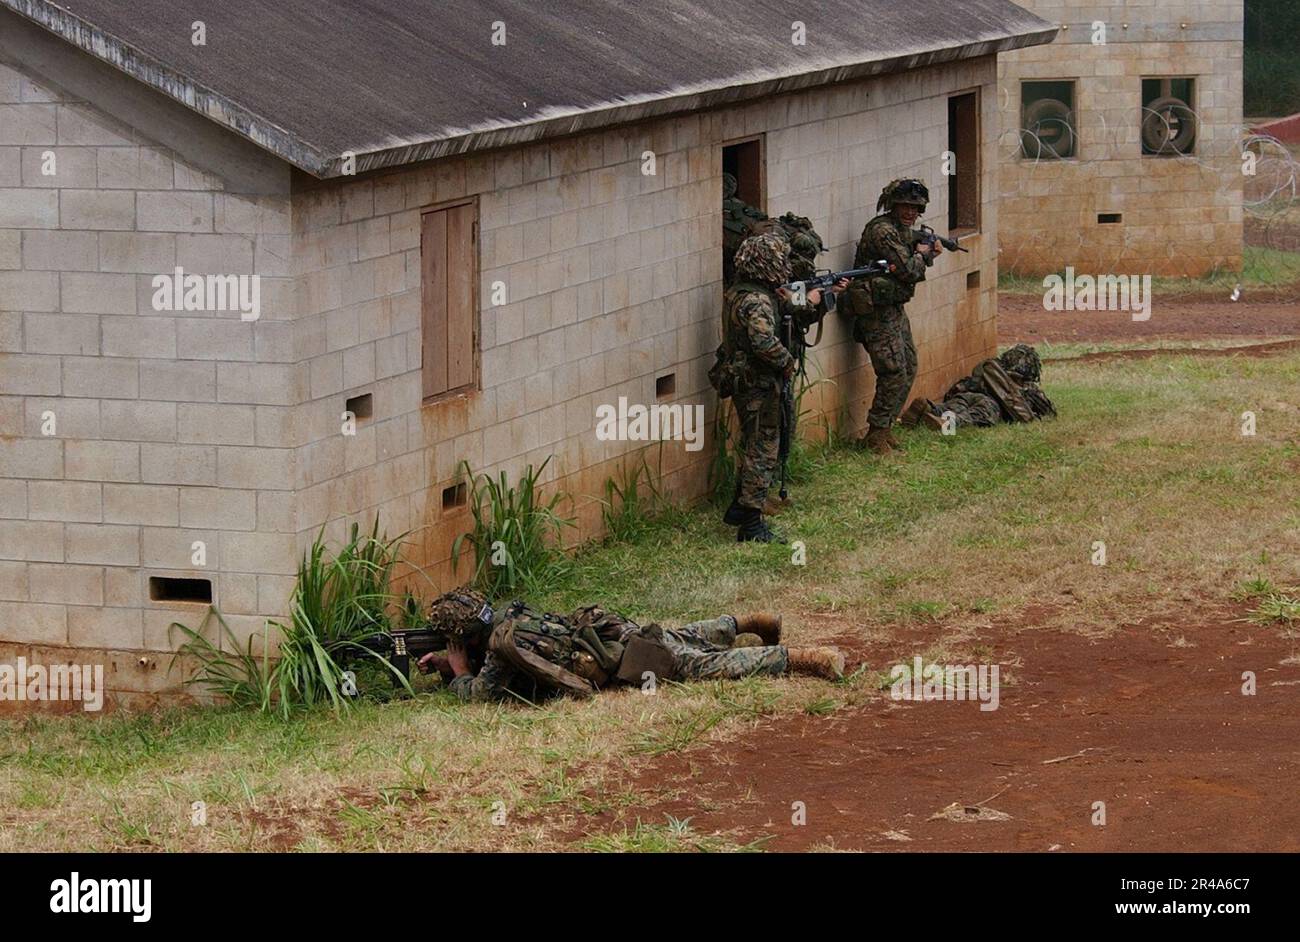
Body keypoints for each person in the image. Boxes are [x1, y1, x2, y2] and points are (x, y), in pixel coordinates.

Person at [415, 588, 847, 703]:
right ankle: (746, 621)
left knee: (699, 666)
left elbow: (483, 693)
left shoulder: (499, 648)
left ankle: (808, 658)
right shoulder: (513, 616)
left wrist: (460, 673)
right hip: (612, 631)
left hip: (623, 660)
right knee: (678, 638)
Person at [717, 232, 845, 542]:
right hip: (758, 383)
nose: (786, 265)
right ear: (766, 263)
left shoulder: (744, 291)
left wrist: (814, 299)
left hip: (749, 379)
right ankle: (751, 523)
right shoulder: (757, 300)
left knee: (757, 443)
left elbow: (785, 308)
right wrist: (787, 362)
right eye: (781, 260)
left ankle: (739, 506)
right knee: (764, 447)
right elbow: (764, 342)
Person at [851, 179, 939, 455]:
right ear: (893, 205)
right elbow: (910, 270)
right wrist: (924, 255)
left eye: (916, 208)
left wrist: (927, 250)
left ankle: (885, 428)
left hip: (893, 307)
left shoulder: (902, 231)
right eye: (905, 206)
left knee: (909, 365)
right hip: (875, 310)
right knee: (893, 371)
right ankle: (876, 434)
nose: (910, 213)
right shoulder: (882, 231)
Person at [901, 343, 1057, 431]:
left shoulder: (989, 368)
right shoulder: (1025, 388)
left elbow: (960, 387)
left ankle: (930, 409)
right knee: (974, 415)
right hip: (989, 404)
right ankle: (947, 423)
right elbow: (1048, 411)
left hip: (967, 395)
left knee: (954, 406)